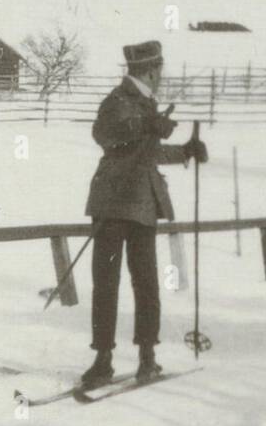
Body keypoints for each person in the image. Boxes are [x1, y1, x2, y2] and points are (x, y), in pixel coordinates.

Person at [81, 40, 208, 388]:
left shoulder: (147, 106)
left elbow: (145, 153)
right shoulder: (118, 100)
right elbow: (104, 135)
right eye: (159, 72)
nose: (160, 77)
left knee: (146, 283)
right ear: (152, 70)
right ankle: (103, 359)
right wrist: (146, 126)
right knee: (108, 284)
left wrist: (184, 150)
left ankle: (147, 359)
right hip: (113, 202)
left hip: (142, 205)